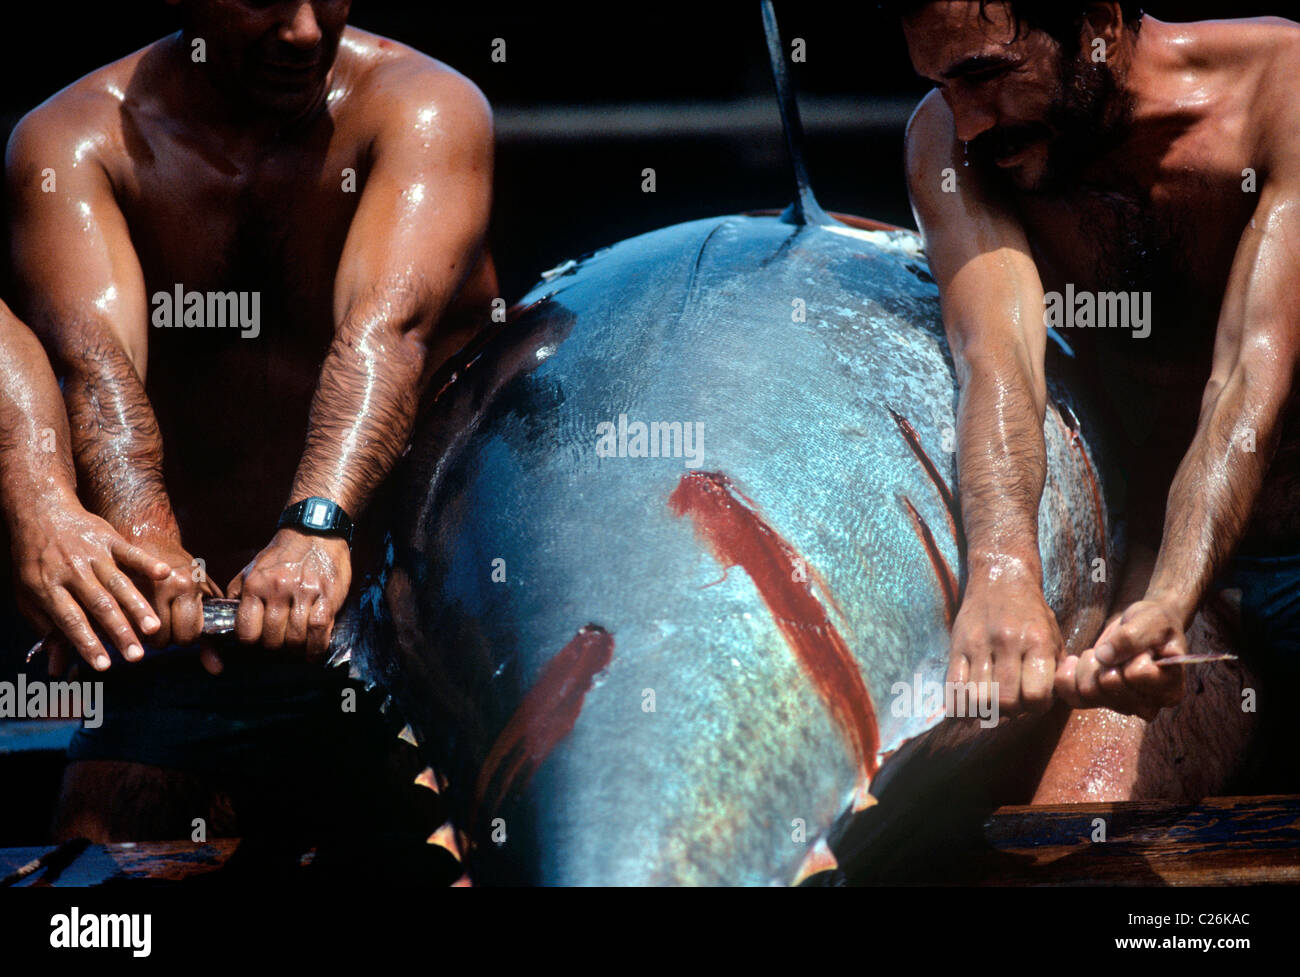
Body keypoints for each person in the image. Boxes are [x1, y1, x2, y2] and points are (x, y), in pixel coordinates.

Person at [6, 0, 496, 840]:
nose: (303, 29)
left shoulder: (423, 108)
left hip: (422, 641)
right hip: (203, 646)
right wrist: (147, 549)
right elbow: (96, 366)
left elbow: (387, 330)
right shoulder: (69, 142)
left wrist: (316, 524)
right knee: (103, 888)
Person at [888, 0, 1300, 799]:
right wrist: (1005, 573)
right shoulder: (948, 143)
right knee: (1074, 835)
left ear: (1100, 22)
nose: (968, 121)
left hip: (1195, 571)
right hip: (1199, 586)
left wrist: (1169, 598)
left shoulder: (1280, 87)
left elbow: (1250, 370)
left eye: (985, 74)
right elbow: (996, 357)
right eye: (941, 84)